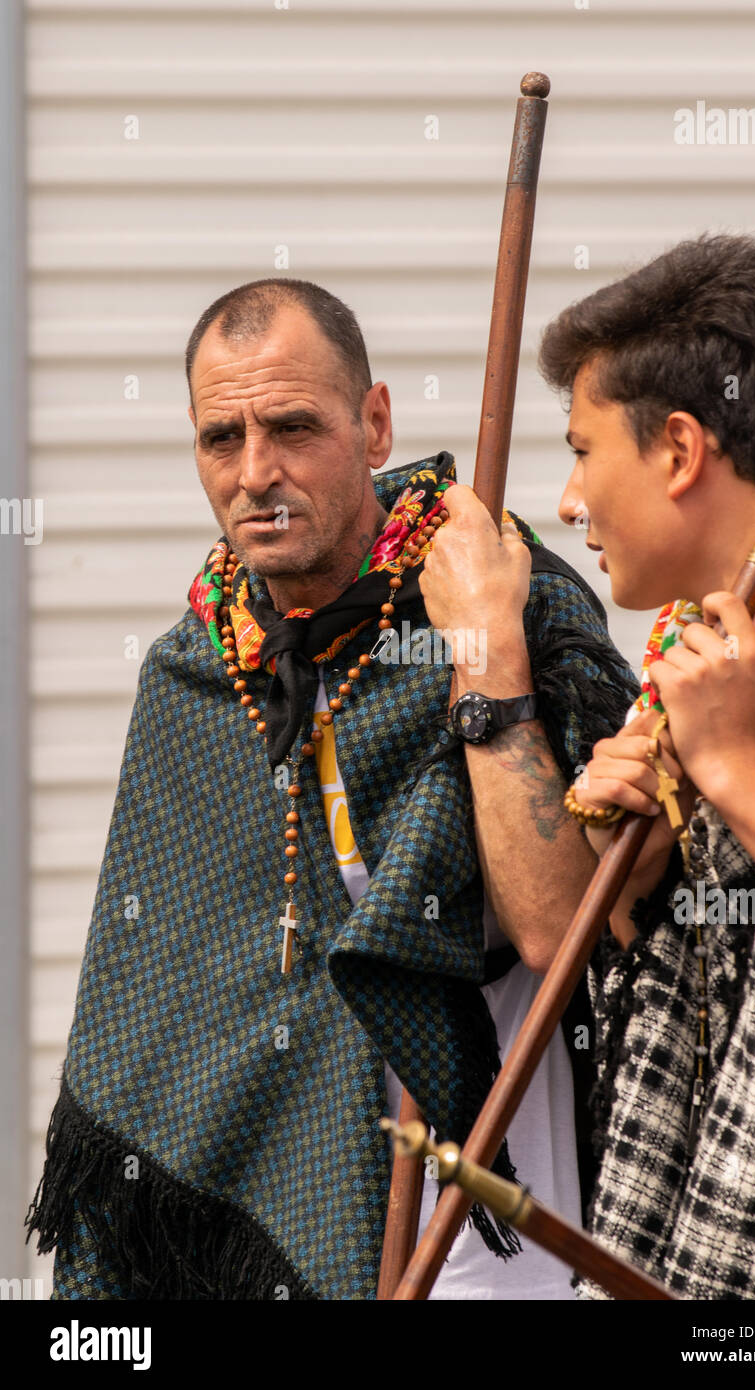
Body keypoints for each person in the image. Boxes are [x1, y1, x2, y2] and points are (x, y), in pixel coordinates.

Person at [26, 277, 637, 1300]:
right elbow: (158, 1016)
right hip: (273, 1256)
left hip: (496, 1230)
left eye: (292, 427)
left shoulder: (499, 594)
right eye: (221, 437)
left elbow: (559, 925)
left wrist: (486, 666)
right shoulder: (194, 671)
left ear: (373, 422)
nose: (255, 472)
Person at [541, 233, 755, 1299]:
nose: (566, 500)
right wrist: (627, 891)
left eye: (583, 450)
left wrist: (734, 766)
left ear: (677, 450)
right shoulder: (698, 669)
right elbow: (693, 1028)